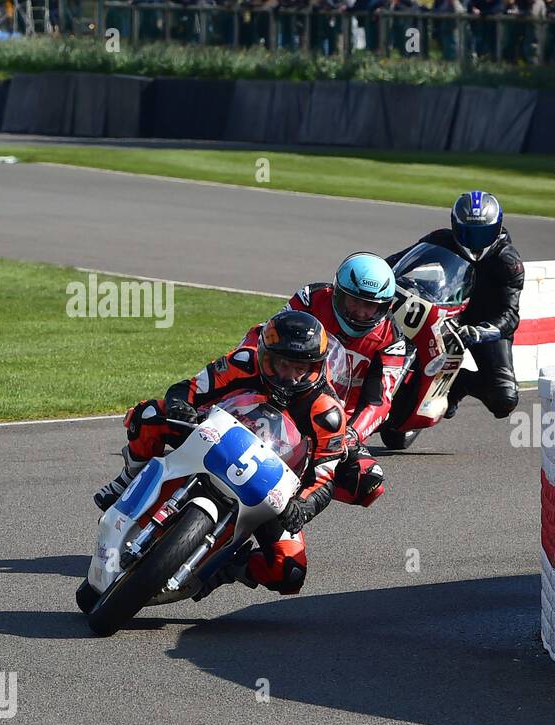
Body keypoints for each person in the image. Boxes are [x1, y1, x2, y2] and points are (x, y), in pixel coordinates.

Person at [94, 309, 348, 597]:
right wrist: (181, 405)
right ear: (266, 355)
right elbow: (189, 388)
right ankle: (130, 477)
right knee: (151, 413)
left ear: (315, 367)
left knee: (289, 571)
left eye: (298, 368)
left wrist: (303, 506)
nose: (288, 375)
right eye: (280, 364)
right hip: (213, 440)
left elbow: (326, 477)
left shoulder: (327, 413)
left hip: (271, 487)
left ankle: (232, 567)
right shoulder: (244, 361)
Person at [253, 251, 407, 509]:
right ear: (338, 293)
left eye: (370, 306)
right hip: (280, 386)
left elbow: (379, 402)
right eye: (353, 301)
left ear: (384, 307)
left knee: (370, 482)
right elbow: (266, 333)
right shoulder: (312, 298)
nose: (359, 312)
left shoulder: (391, 340)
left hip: (330, 418)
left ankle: (297, 499)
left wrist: (352, 434)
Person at [386, 191, 524, 420]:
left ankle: (460, 384)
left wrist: (485, 331)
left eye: (483, 233)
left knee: (504, 398)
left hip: (483, 326)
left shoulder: (509, 262)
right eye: (469, 232)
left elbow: (510, 315)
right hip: (442, 311)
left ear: (497, 228)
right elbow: (396, 262)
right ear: (455, 225)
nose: (475, 241)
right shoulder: (440, 240)